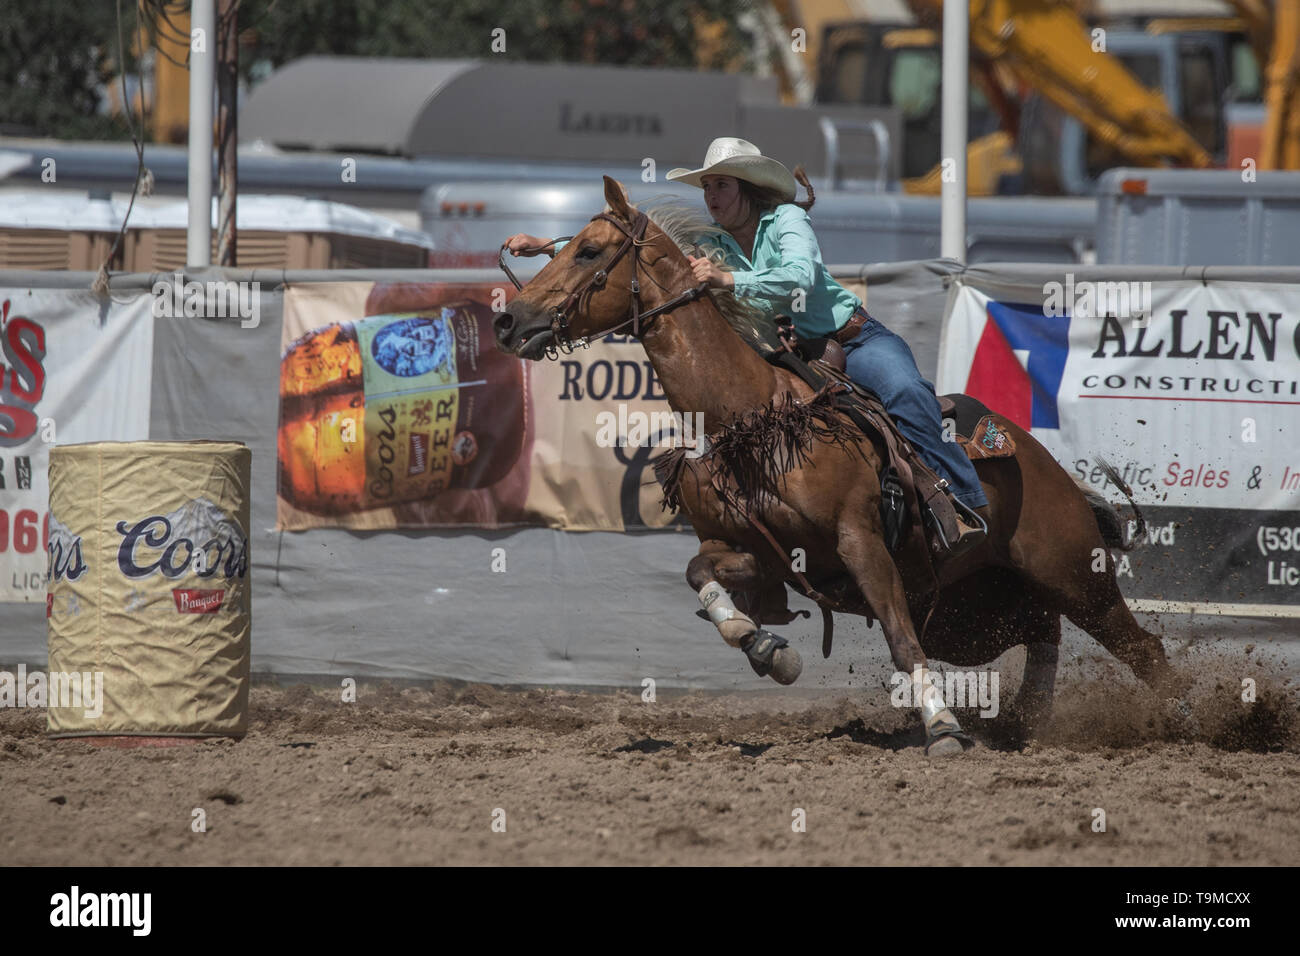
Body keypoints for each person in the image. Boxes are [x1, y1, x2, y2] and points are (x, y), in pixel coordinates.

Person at [504, 137, 988, 555]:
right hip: (791, 354)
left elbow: (800, 276)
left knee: (905, 392)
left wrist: (727, 278)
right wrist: (548, 245)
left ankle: (964, 504)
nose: (713, 195)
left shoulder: (786, 222)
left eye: (722, 185)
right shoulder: (712, 239)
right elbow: (625, 250)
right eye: (708, 186)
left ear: (747, 189)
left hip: (854, 340)